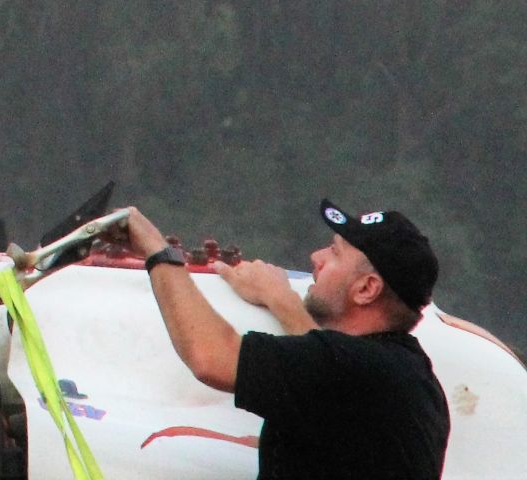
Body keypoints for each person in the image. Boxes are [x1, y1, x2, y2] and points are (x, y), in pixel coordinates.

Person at [119, 199, 449, 480]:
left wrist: (158, 251)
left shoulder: (358, 369)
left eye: (334, 254)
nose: (316, 257)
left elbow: (210, 356)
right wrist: (281, 300)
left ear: (366, 289)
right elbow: (327, 372)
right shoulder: (410, 379)